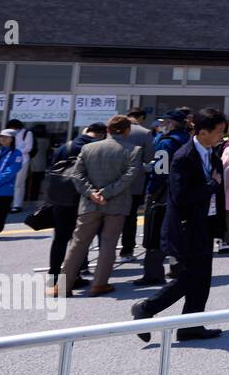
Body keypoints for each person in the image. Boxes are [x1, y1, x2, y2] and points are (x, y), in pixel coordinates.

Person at [130, 108, 229, 342]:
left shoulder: (212, 155)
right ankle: (146, 308)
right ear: (203, 132)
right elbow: (181, 195)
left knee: (203, 278)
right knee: (190, 276)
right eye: (219, 132)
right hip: (185, 227)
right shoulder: (184, 157)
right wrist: (211, 186)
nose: (221, 136)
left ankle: (190, 325)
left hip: (205, 224)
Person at [52, 115, 142, 296]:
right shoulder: (133, 150)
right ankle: (99, 284)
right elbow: (129, 177)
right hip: (116, 203)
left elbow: (77, 175)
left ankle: (62, 286)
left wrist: (92, 193)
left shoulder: (88, 148)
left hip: (89, 203)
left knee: (78, 244)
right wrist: (106, 192)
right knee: (108, 244)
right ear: (127, 130)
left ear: (108, 130)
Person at [45, 123, 106, 288]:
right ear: (101, 134)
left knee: (60, 238)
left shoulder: (66, 146)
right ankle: (75, 275)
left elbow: (52, 168)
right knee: (79, 239)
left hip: (60, 198)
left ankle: (54, 275)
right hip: (82, 199)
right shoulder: (95, 148)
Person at [136, 109, 190, 287]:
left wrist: (151, 191)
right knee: (177, 231)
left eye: (164, 122)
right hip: (181, 191)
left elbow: (160, 171)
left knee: (155, 233)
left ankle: (153, 273)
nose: (161, 125)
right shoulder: (189, 140)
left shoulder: (166, 143)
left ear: (172, 123)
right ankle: (178, 268)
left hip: (162, 193)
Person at [119, 108, 155, 261]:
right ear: (141, 117)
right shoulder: (145, 133)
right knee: (130, 216)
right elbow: (148, 158)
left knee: (108, 215)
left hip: (109, 180)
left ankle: (104, 250)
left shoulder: (112, 130)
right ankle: (127, 251)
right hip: (134, 180)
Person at [8, 118, 34, 212]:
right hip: (10, 161)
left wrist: (16, 152)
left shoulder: (27, 133)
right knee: (10, 183)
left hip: (22, 160)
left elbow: (28, 148)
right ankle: (10, 203)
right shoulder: (11, 133)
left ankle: (17, 204)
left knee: (19, 184)